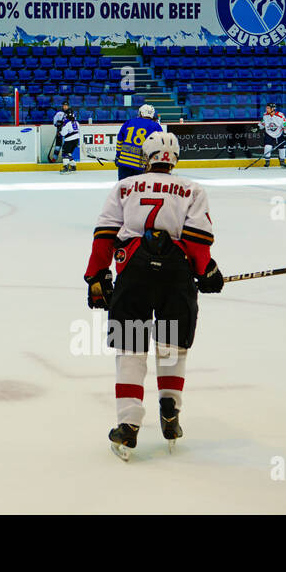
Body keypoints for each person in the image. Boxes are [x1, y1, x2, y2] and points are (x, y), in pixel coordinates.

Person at [84, 132, 223, 460]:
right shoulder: (192, 189)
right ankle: (170, 413)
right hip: (175, 276)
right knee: (172, 344)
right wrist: (207, 272)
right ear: (174, 159)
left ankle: (129, 425)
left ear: (145, 157)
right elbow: (197, 241)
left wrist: (96, 276)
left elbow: (105, 236)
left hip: (134, 273)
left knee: (130, 347)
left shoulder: (124, 187)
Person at [115, 103, 162, 180]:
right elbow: (160, 144)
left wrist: (118, 155)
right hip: (141, 165)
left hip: (124, 163)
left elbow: (120, 139)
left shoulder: (129, 122)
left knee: (123, 189)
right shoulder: (155, 126)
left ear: (140, 113)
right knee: (138, 190)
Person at [258, 102, 286, 167]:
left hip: (279, 134)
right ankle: (267, 162)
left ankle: (282, 161)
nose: (267, 109)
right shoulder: (265, 115)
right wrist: (258, 127)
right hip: (269, 134)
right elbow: (262, 123)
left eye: (268, 108)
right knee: (267, 147)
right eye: (266, 108)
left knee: (282, 148)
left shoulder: (280, 115)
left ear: (273, 109)